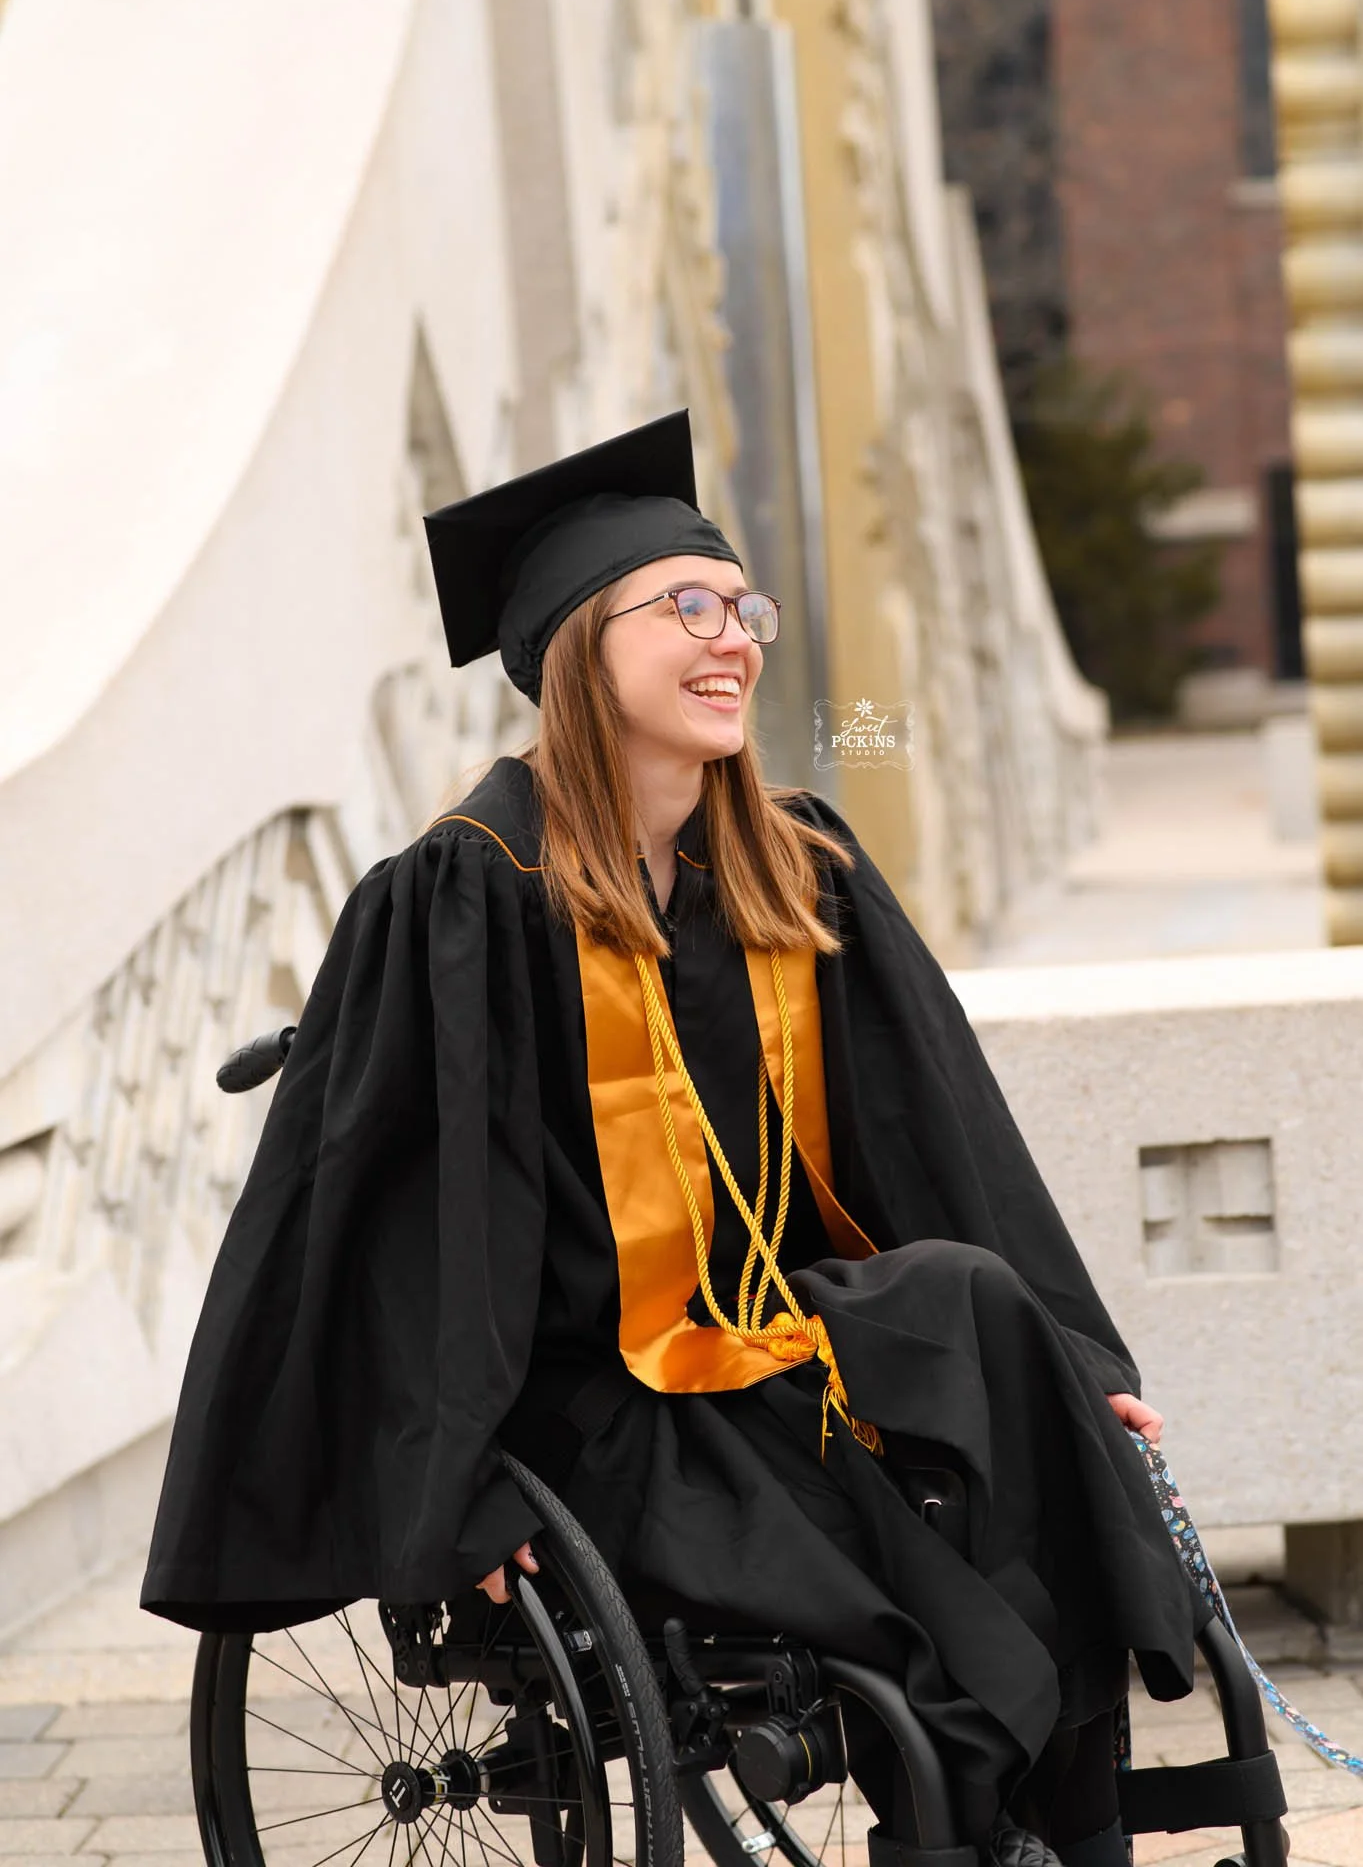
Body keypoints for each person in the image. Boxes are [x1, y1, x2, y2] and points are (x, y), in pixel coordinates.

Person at [141, 410, 1209, 1867]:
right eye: (687, 608)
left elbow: (939, 1142)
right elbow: (416, 1220)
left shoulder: (790, 861)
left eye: (743, 609)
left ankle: (1054, 1819)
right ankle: (976, 1816)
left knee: (967, 1292)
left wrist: (1080, 1378)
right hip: (603, 1403)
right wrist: (452, 1478)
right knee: (936, 1611)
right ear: (585, 644)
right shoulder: (468, 893)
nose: (735, 640)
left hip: (770, 1353)